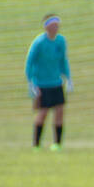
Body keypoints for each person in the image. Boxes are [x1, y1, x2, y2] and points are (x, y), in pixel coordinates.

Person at [25, 14, 72, 152]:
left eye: (57, 25)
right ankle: (36, 144)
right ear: (46, 26)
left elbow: (63, 60)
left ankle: (57, 143)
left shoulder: (61, 41)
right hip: (41, 84)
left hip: (56, 83)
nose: (56, 28)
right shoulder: (39, 42)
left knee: (59, 112)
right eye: (53, 25)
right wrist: (31, 82)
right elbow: (30, 62)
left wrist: (68, 78)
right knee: (43, 113)